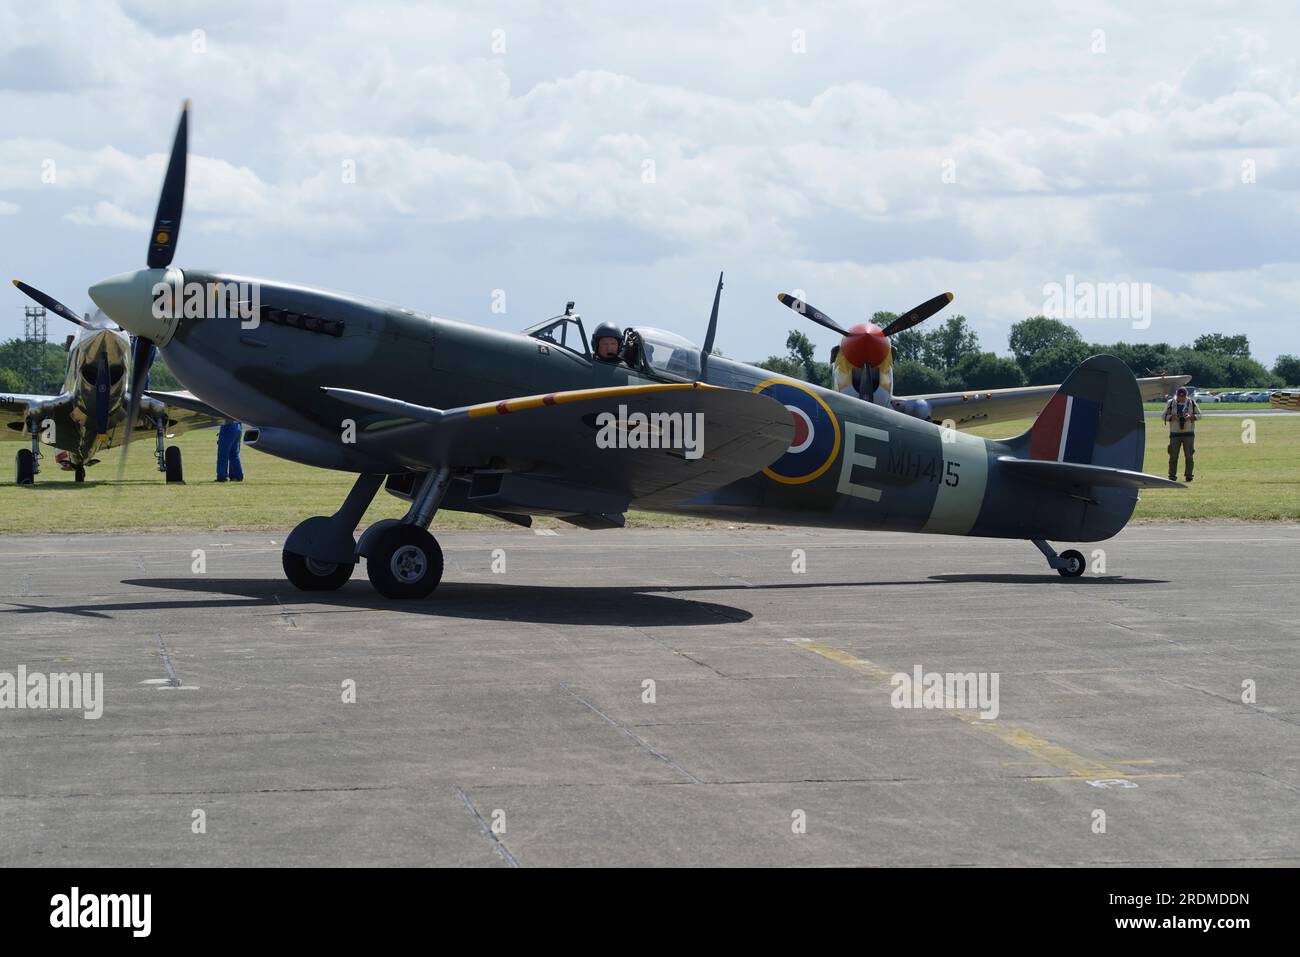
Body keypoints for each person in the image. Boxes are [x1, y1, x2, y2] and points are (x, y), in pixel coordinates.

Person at [1163, 386, 1201, 482]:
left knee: (1189, 455)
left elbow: (1200, 415)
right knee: (1173, 455)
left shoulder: (1191, 403)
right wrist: (1172, 417)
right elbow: (1163, 416)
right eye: (1180, 396)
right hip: (1175, 433)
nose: (1181, 398)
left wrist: (1191, 417)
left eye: (1183, 396)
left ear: (1186, 395)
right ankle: (1172, 476)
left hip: (1189, 433)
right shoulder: (1171, 403)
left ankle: (1189, 475)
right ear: (1177, 395)